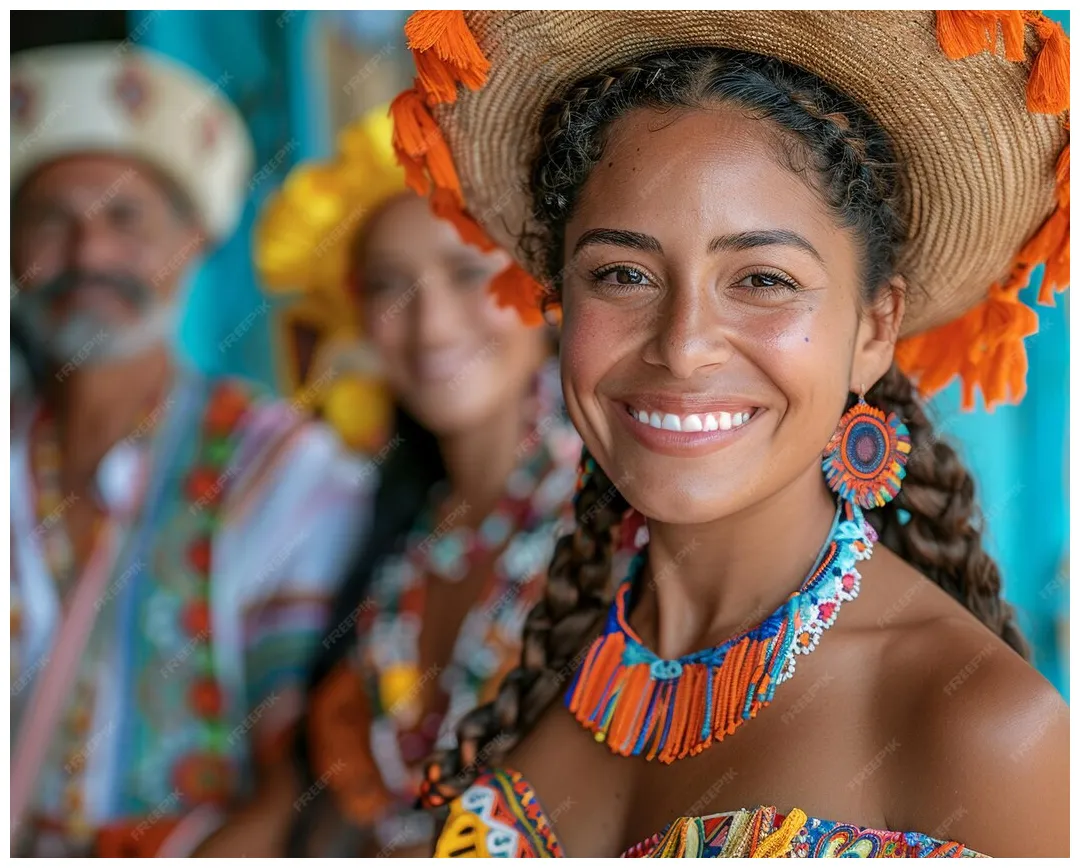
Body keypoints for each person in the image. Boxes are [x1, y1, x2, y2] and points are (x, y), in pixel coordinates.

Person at [386, 10, 1070, 858]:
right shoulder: (516, 647)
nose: (681, 347)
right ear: (559, 300)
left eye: (762, 279)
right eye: (623, 274)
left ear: (873, 329)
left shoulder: (982, 727)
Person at [194, 106, 595, 857]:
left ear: (545, 293)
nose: (432, 324)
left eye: (468, 273)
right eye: (389, 287)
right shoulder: (391, 534)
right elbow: (300, 799)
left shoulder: (625, 516)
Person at [10, 44, 369, 856]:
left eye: (125, 218)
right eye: (50, 220)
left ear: (192, 243)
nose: (89, 253)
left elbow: (304, 766)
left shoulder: (284, 470)